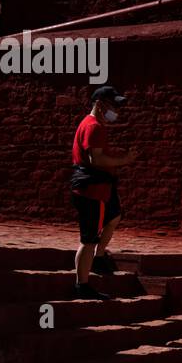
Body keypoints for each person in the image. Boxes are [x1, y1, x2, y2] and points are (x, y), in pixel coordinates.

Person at [69, 86, 134, 300]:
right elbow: (95, 159)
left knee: (114, 215)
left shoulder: (91, 125)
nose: (115, 110)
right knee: (88, 239)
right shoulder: (94, 126)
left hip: (100, 188)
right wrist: (123, 161)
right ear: (99, 104)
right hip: (92, 190)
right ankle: (82, 285)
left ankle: (98, 257)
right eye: (112, 105)